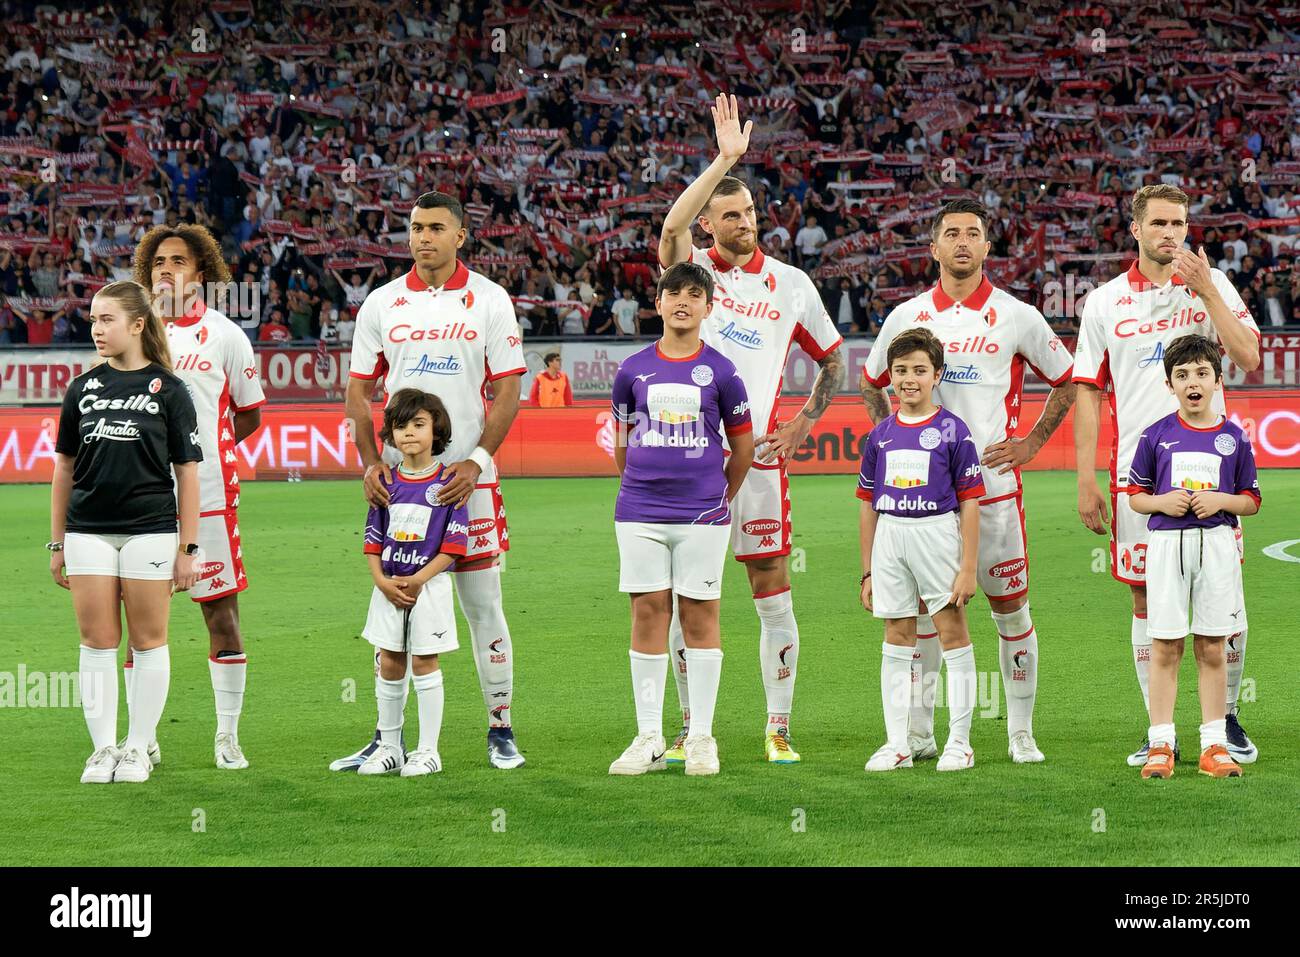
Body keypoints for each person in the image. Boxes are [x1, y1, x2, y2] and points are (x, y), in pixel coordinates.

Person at [658, 94, 845, 766]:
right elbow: (670, 225)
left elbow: (832, 359)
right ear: (711, 221)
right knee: (686, 595)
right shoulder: (695, 274)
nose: (746, 224)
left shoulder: (791, 284)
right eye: (731, 214)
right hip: (688, 456)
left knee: (770, 583)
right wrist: (724, 160)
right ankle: (687, 726)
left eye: (751, 214)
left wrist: (804, 421)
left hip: (759, 460)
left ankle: (778, 726)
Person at [860, 199, 1076, 764]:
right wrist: (892, 440)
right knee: (932, 619)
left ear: (985, 248)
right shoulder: (905, 316)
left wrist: (1030, 442)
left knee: (1012, 612)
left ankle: (1020, 732)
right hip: (922, 506)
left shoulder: (1017, 314)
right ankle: (924, 734)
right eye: (951, 233)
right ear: (933, 248)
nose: (962, 242)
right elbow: (869, 381)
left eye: (973, 234)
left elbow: (1068, 380)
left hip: (995, 494)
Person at [335, 191, 527, 772]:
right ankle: (387, 738)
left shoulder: (489, 300)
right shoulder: (383, 303)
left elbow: (510, 388)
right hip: (403, 488)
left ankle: (499, 727)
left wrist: (479, 461)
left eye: (436, 228)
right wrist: (372, 462)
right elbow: (358, 393)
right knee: (394, 609)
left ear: (460, 235)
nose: (422, 238)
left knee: (483, 608)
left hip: (468, 483)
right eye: (416, 228)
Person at [1073, 184, 1261, 766]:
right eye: (1158, 223)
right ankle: (1159, 730)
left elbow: (1249, 358)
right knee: (1145, 600)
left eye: (1178, 223)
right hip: (1143, 477)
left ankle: (1224, 720)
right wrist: (1084, 478)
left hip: (1213, 474)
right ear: (1135, 229)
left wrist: (1207, 291)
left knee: (1223, 599)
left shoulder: (1212, 284)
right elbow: (1088, 391)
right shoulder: (1103, 301)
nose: (1170, 233)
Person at [49, 280, 203, 784]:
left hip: (151, 531)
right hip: (87, 530)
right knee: (96, 642)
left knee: (148, 641)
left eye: (107, 319)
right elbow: (64, 469)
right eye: (93, 320)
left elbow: (187, 472)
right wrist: (57, 542)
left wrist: (189, 548)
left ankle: (138, 747)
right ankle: (103, 750)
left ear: (138, 325)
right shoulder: (82, 388)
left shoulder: (170, 389)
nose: (97, 329)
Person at [607, 262, 754, 777]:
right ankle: (648, 734)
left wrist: (718, 494)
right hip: (639, 511)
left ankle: (701, 738)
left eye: (695, 294)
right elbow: (622, 444)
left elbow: (742, 448)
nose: (683, 302)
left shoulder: (723, 372)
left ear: (708, 307)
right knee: (647, 613)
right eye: (674, 293)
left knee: (699, 616)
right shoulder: (631, 370)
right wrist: (642, 483)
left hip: (703, 512)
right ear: (660, 302)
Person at [133, 224, 267, 771]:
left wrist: (207, 454)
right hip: (142, 499)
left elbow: (249, 414)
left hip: (210, 498)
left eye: (178, 262)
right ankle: (142, 736)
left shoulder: (226, 335)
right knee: (142, 623)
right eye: (158, 262)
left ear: (202, 273)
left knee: (221, 615)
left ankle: (227, 737)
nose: (166, 270)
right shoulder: (135, 333)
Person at [1125, 336, 1261, 779]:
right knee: (1165, 644)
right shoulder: (1156, 435)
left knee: (1212, 646)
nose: (1193, 382)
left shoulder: (1233, 439)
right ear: (1170, 384)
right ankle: (1161, 742)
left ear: (1218, 381)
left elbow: (1251, 501)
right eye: (1182, 375)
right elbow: (1136, 497)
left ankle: (1213, 745)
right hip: (1167, 547)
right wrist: (1162, 502)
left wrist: (1221, 499)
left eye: (1202, 373)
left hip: (1217, 546)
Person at [858, 329, 984, 772]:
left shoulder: (954, 431)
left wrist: (968, 567)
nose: (909, 379)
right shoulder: (880, 435)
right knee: (896, 637)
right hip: (891, 536)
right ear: (890, 377)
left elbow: (970, 502)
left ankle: (961, 742)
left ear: (937, 375)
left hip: (936, 532)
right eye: (901, 371)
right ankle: (899, 743)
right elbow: (868, 506)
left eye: (919, 370)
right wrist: (867, 571)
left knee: (952, 634)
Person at [357, 389, 469, 777]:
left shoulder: (448, 483)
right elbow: (372, 541)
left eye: (418, 424)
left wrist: (419, 579)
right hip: (388, 587)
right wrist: (382, 582)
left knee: (423, 661)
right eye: (400, 425)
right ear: (389, 433)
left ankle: (428, 750)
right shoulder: (384, 482)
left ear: (436, 429)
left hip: (429, 587)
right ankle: (390, 747)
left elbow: (454, 545)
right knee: (389, 660)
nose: (408, 433)